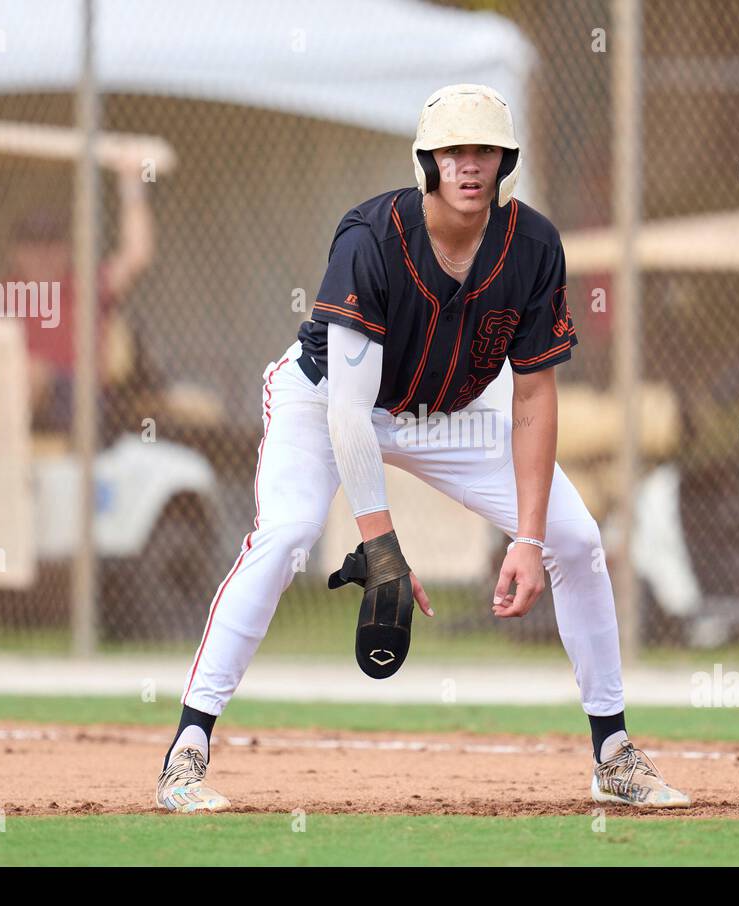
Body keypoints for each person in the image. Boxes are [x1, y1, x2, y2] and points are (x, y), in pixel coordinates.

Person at [155, 84, 692, 812]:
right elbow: (349, 413)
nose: (469, 164)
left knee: (576, 537)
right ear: (427, 162)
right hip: (326, 401)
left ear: (505, 163)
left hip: (448, 416)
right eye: (453, 151)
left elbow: (533, 397)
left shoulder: (532, 247)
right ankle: (188, 748)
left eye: (484, 151)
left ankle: (613, 752)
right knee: (286, 536)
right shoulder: (371, 237)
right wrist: (381, 548)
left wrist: (527, 538)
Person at [6, 157, 154, 433]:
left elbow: (136, 256)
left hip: (79, 395)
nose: (42, 255)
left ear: (66, 250)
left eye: (51, 244)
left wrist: (133, 184)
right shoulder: (4, 293)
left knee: (32, 371)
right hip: (10, 390)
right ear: (15, 253)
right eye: (32, 245)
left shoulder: (83, 286)